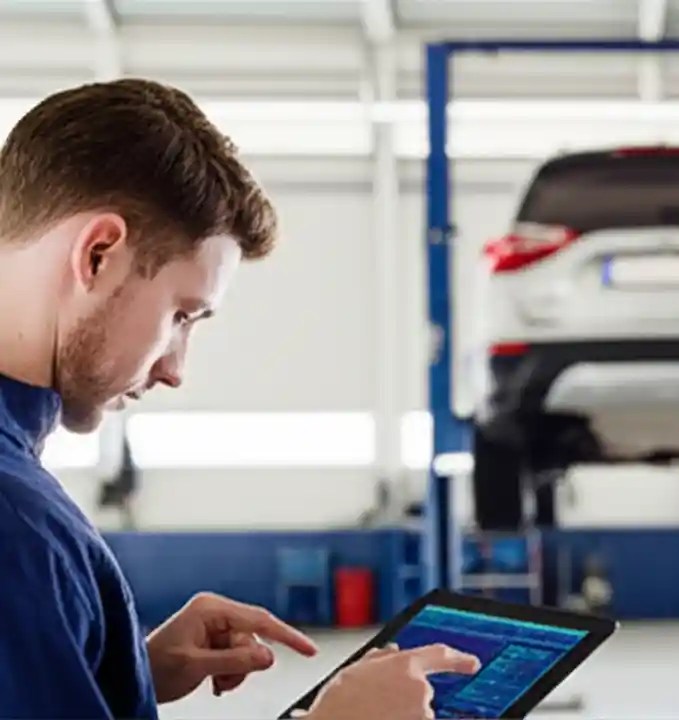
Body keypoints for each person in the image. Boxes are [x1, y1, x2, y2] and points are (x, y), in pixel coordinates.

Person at [0, 79, 480, 719]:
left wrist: (119, 668)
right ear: (99, 253)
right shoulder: (17, 527)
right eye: (182, 315)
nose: (175, 370)